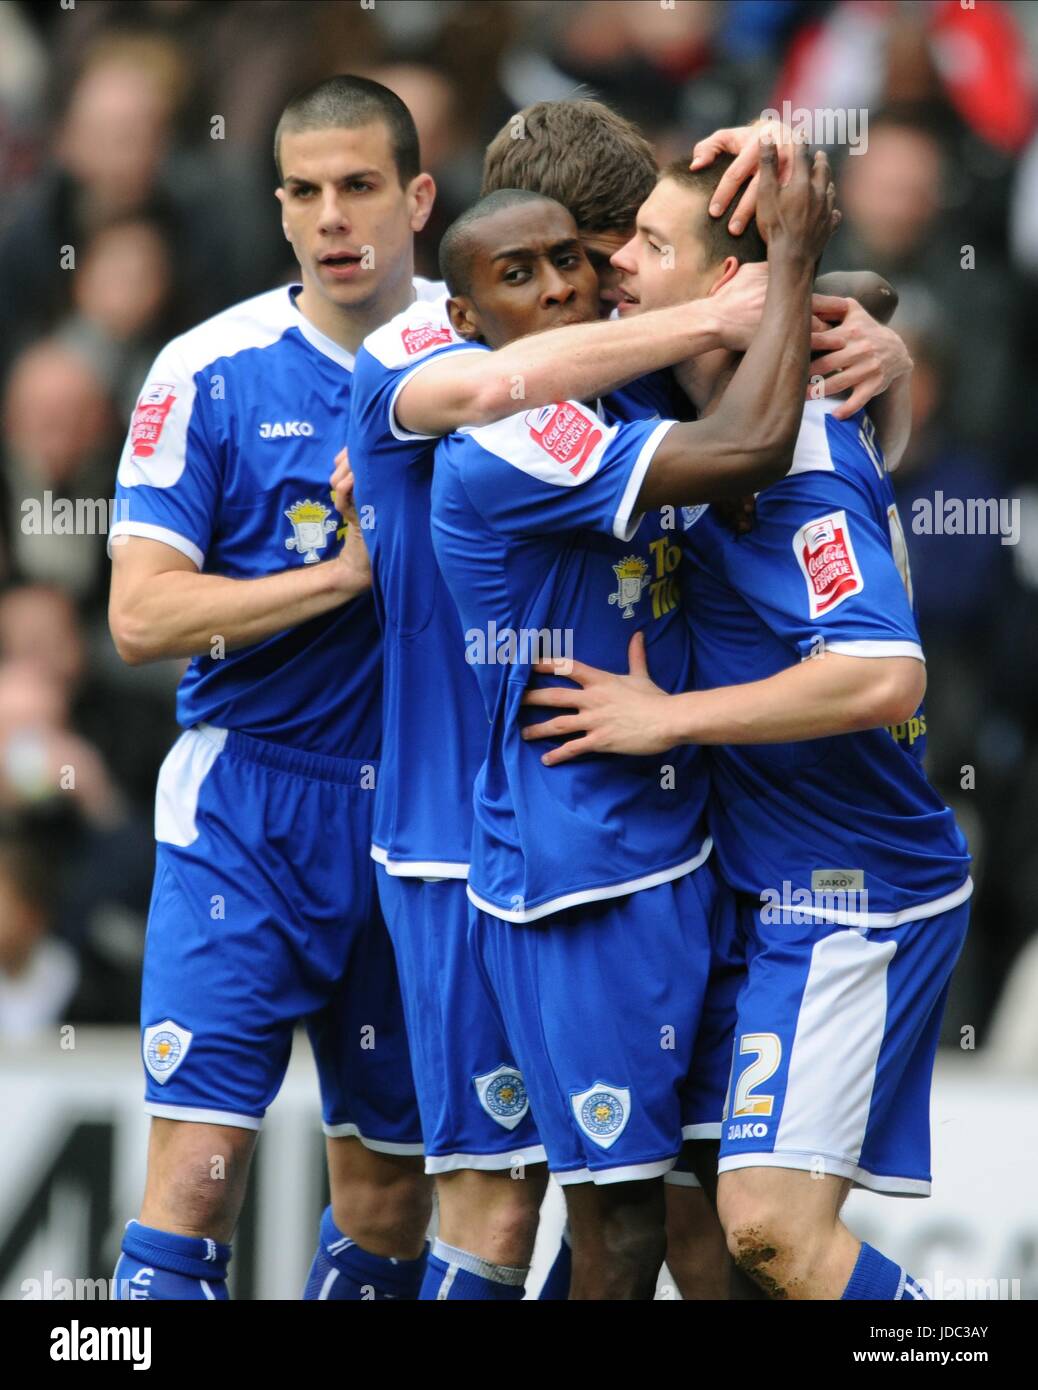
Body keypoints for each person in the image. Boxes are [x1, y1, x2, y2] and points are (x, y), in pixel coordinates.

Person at [522, 149, 971, 1301]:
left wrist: (669, 716)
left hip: (847, 887)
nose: (618, 265)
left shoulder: (801, 461)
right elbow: (851, 291)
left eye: (650, 248)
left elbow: (884, 675)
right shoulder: (680, 398)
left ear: (728, 283)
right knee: (701, 1240)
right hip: (735, 888)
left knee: (770, 1229)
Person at [428, 137, 837, 1299]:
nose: (559, 288)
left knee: (722, 1209)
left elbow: (839, 299)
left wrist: (835, 298)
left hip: (685, 837)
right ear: (466, 315)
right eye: (521, 274)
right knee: (622, 1232)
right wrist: (793, 258)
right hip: (579, 864)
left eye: (572, 261)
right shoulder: (511, 435)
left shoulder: (613, 382)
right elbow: (749, 444)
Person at [106, 75, 447, 1302]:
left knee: (392, 1204)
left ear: (417, 194)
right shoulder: (210, 368)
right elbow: (141, 612)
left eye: (359, 186)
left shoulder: (488, 352)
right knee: (191, 1191)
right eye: (304, 192)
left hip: (421, 819)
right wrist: (340, 578)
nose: (332, 218)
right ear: (280, 209)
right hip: (249, 813)